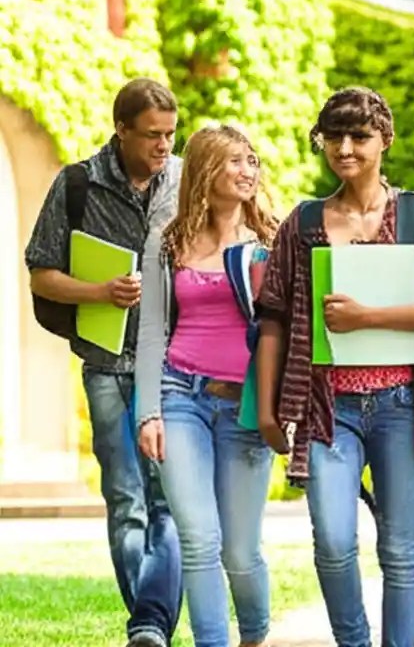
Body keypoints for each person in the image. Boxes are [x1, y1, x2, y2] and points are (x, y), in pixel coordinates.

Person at [255, 86, 414, 647]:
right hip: (328, 408)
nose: (346, 148)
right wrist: (268, 412)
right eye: (334, 137)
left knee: (400, 548)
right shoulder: (303, 223)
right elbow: (272, 316)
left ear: (385, 140)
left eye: (360, 136)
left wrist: (371, 317)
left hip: (403, 404)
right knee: (332, 542)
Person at [24, 78, 184, 647]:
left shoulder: (186, 180)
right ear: (121, 130)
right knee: (125, 500)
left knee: (171, 500)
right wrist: (100, 292)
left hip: (172, 368)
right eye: (152, 134)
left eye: (171, 134)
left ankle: (149, 622)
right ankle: (149, 623)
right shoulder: (77, 184)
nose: (163, 145)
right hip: (106, 365)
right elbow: (41, 272)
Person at [133, 124, 279, 647]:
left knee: (239, 552)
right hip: (180, 396)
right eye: (234, 160)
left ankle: (255, 635)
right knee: (198, 539)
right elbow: (152, 331)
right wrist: (148, 411)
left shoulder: (270, 242)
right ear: (205, 169)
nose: (247, 170)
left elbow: (290, 333)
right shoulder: (167, 240)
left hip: (245, 406)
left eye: (251, 160)